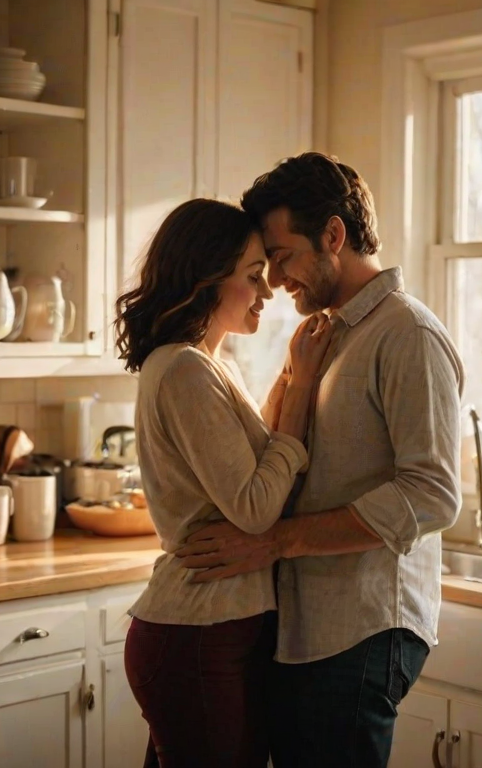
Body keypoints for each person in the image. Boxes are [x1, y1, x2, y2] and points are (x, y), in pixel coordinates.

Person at [176, 153, 466, 768]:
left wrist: (277, 542)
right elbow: (277, 452)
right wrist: (291, 379)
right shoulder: (328, 333)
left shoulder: (407, 334)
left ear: (333, 235)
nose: (274, 281)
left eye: (281, 257)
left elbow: (432, 492)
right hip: (308, 629)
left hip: (362, 629)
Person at [114, 197, 333, 768]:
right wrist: (304, 389)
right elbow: (255, 507)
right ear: (207, 279)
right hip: (196, 633)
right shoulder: (184, 369)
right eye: (254, 276)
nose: (268, 292)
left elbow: (245, 461)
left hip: (209, 631)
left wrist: (290, 377)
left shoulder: (211, 364)